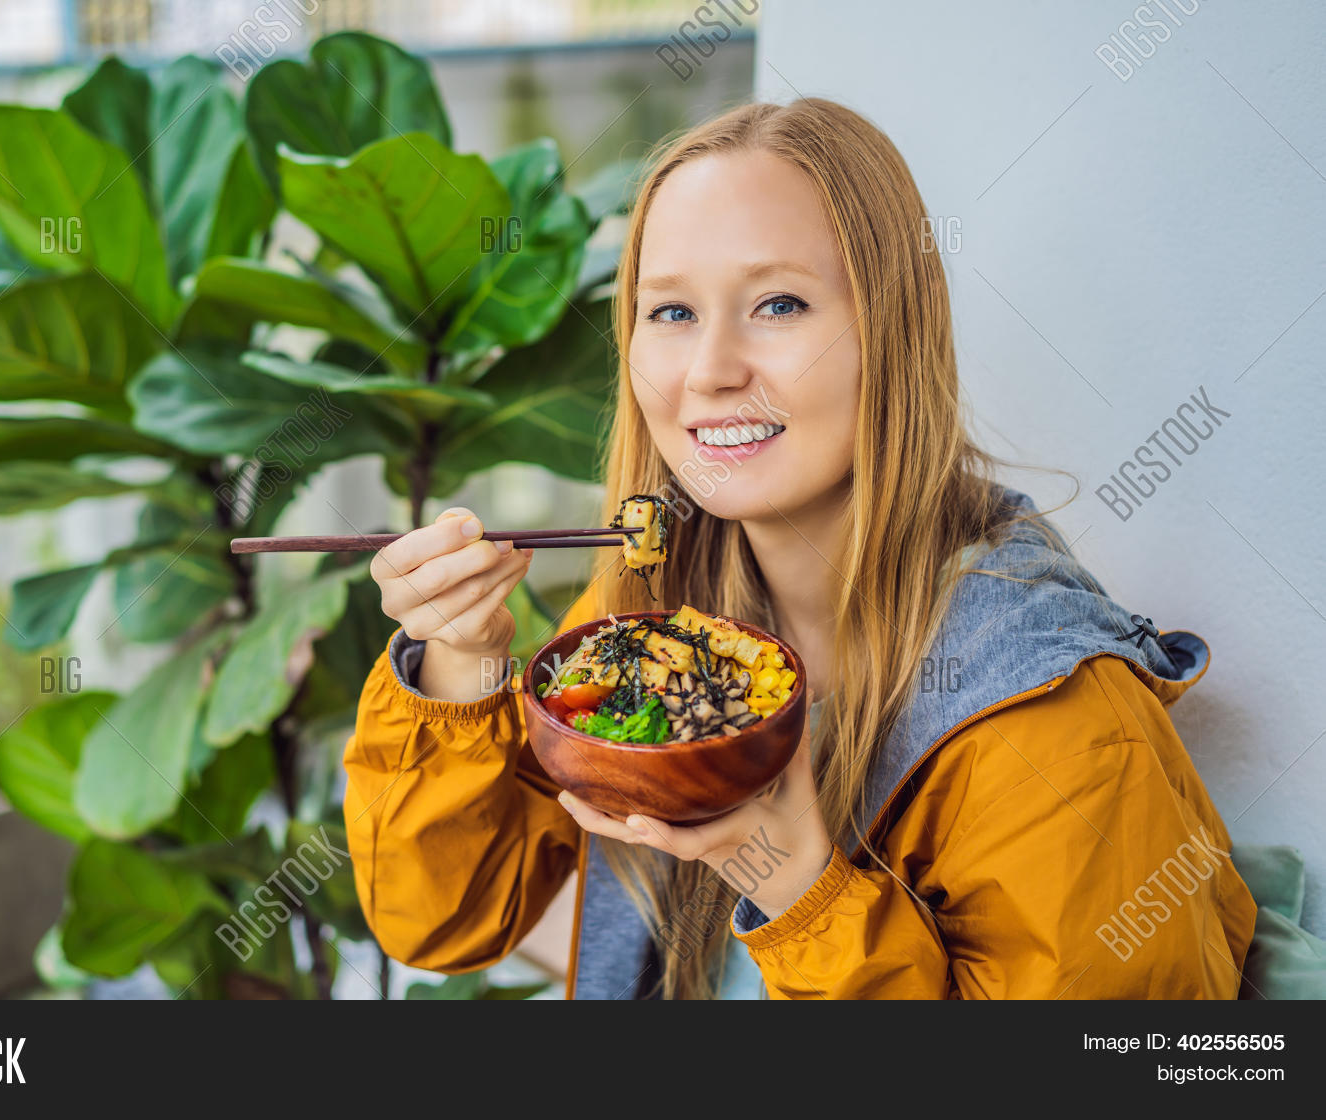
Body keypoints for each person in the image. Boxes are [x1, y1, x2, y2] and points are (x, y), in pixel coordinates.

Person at [344, 98, 1257, 999]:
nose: (709, 371)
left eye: (778, 304)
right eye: (671, 312)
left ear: (892, 332)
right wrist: (458, 664)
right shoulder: (651, 626)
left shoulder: (1054, 721)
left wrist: (795, 886)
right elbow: (446, 921)